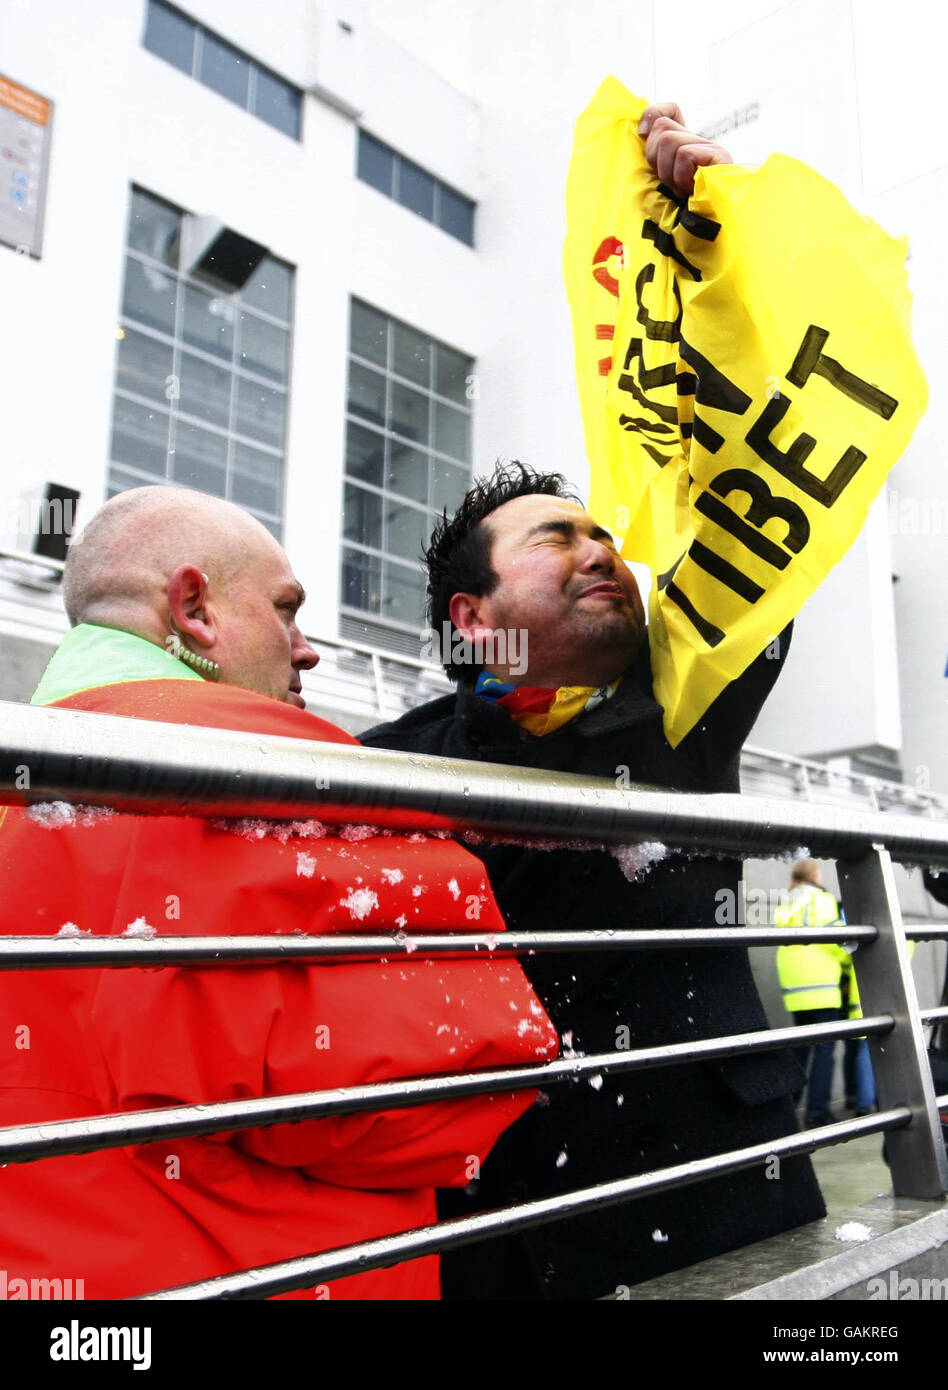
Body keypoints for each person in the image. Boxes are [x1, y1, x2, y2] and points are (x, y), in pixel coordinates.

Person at [0, 486, 558, 1301]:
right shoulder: (286, 780)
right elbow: (439, 1104)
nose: (307, 650)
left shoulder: (19, 793)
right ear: (194, 609)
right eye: (286, 611)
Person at [361, 461, 824, 1300]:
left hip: (715, 1196)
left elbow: (759, 563)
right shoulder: (389, 762)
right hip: (502, 1222)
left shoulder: (688, 697)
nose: (601, 551)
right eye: (557, 538)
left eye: (603, 535)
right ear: (472, 616)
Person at [774, 859, 873, 1123]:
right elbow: (836, 940)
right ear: (815, 875)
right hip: (820, 982)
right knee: (824, 1050)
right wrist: (851, 955)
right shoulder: (822, 899)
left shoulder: (788, 901)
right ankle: (817, 1113)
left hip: (794, 985)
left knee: (801, 1049)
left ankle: (786, 1111)